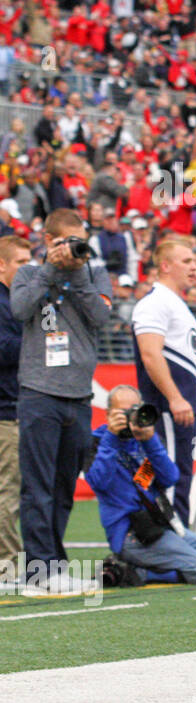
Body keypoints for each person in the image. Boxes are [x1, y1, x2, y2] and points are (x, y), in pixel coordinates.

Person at [12, 208, 111, 593]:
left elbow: (101, 318)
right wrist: (51, 270)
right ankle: (39, 571)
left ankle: (53, 564)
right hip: (39, 393)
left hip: (79, 396)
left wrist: (76, 273)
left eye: (79, 239)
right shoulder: (28, 274)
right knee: (38, 488)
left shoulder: (93, 273)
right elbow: (20, 310)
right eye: (65, 241)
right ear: (49, 241)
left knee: (64, 486)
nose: (73, 248)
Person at [85, 384, 196, 584]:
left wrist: (149, 440)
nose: (130, 417)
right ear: (108, 413)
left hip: (160, 524)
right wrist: (112, 438)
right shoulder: (96, 442)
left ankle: (140, 565)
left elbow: (169, 479)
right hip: (130, 533)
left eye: (134, 410)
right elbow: (99, 483)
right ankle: (127, 572)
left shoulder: (144, 441)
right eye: (123, 412)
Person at [132, 239, 196, 529]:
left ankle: (166, 544)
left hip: (178, 409)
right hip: (166, 410)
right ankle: (171, 547)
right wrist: (174, 398)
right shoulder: (155, 303)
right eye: (186, 261)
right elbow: (151, 355)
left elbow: (188, 369)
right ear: (165, 265)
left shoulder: (177, 305)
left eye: (195, 262)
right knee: (170, 476)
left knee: (173, 475)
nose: (194, 267)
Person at [0, 235, 30, 569]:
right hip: (5, 409)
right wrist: (35, 340)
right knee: (8, 489)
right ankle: (6, 563)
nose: (28, 268)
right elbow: (4, 349)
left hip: (17, 406)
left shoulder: (22, 300)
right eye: (21, 262)